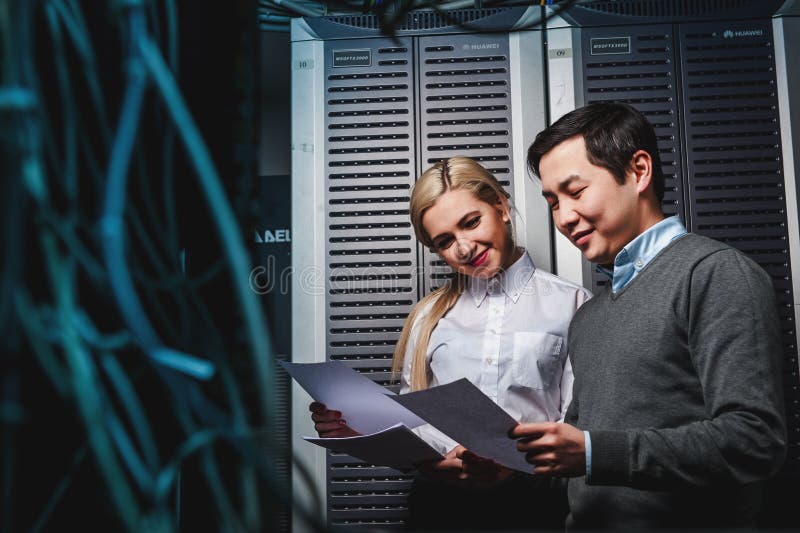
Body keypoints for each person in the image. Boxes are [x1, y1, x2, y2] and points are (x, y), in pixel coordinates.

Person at [510, 102, 787, 529]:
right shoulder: (589, 317)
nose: (563, 218)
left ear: (639, 171)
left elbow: (754, 440)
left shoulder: (713, 273)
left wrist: (592, 452)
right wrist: (503, 472)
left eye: (576, 191)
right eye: (552, 202)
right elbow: (577, 471)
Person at [310, 156, 591, 530]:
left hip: (535, 510)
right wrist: (356, 430)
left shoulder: (573, 304)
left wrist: (514, 466)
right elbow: (414, 424)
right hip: (439, 511)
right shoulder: (428, 318)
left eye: (471, 222)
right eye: (445, 241)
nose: (463, 247)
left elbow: (580, 424)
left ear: (501, 206)